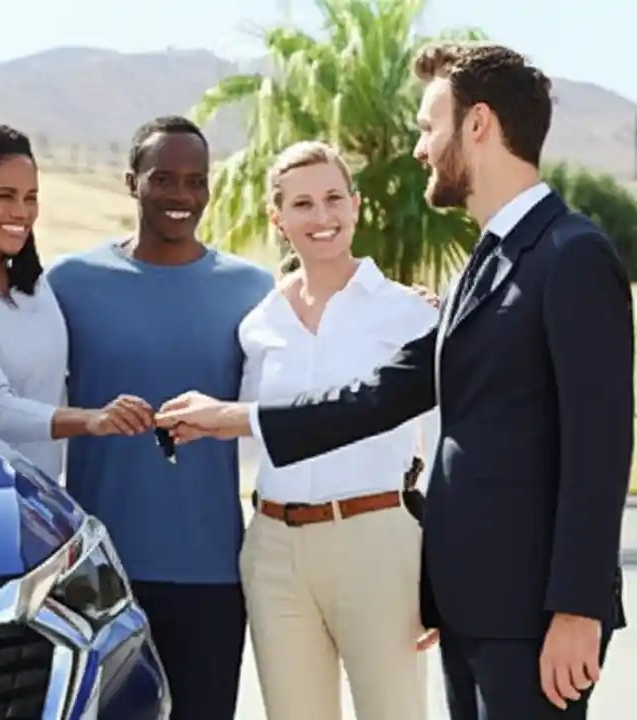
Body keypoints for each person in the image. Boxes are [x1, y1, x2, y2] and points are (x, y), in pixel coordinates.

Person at [154, 42, 631, 720]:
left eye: (428, 126)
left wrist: (579, 609)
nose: (419, 148)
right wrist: (236, 417)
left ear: (478, 125)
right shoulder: (482, 267)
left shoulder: (572, 254)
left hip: (534, 615)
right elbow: (382, 395)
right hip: (474, 606)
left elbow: (600, 448)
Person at [46, 115, 274, 719]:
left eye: (196, 181)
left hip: (210, 569)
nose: (182, 195)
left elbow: (311, 369)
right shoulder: (70, 284)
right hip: (97, 573)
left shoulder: (252, 289)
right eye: (164, 178)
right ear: (132, 182)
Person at [236, 139, 441, 720]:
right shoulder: (258, 324)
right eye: (301, 204)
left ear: (355, 206)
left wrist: (441, 574)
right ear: (277, 219)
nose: (321, 216)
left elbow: (444, 447)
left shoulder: (410, 312)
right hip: (274, 549)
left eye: (333, 199)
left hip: (377, 541)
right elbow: (249, 444)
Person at [0, 124, 153, 482]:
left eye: (30, 197)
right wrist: (92, 420)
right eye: (5, 196)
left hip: (41, 495)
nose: (21, 212)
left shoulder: (34, 288)